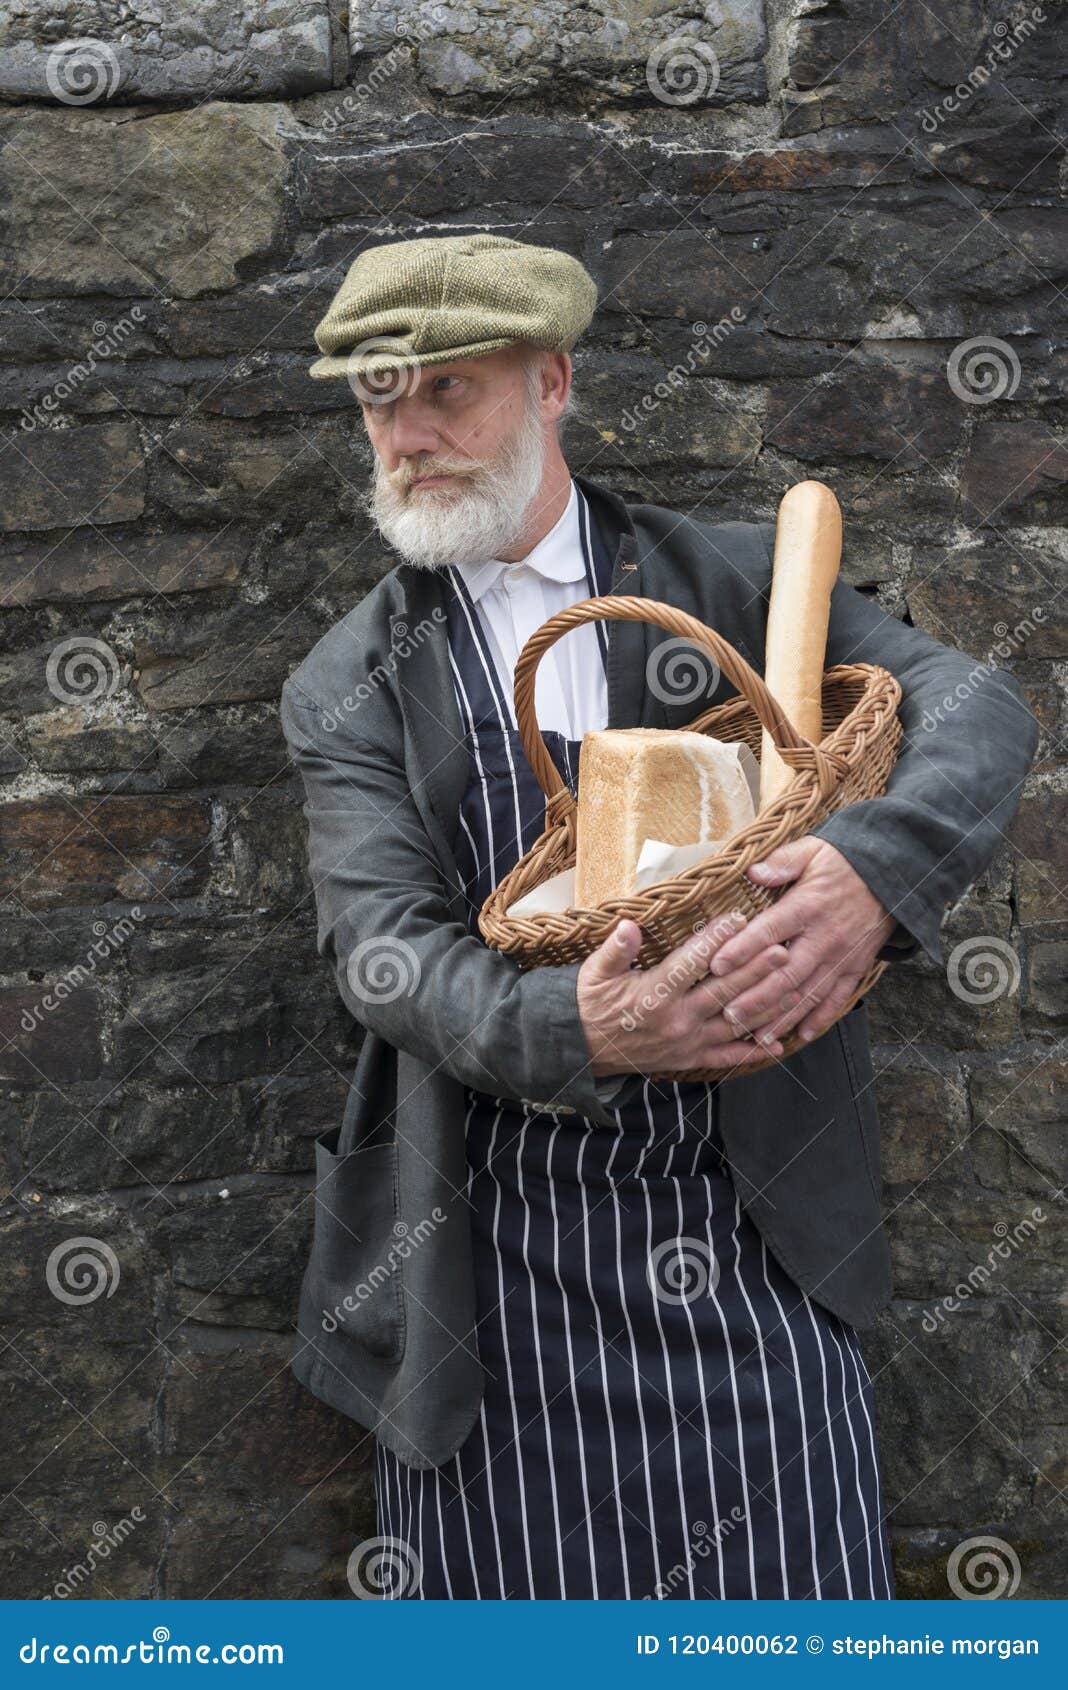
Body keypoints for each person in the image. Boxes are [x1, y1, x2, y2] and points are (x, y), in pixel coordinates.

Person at [280, 233, 1038, 1600]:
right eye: (381, 397)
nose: (410, 432)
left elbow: (980, 707)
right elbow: (384, 955)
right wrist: (590, 1021)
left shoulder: (735, 587)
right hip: (488, 1276)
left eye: (450, 390)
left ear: (552, 381)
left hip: (757, 1255)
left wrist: (874, 873)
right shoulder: (350, 681)